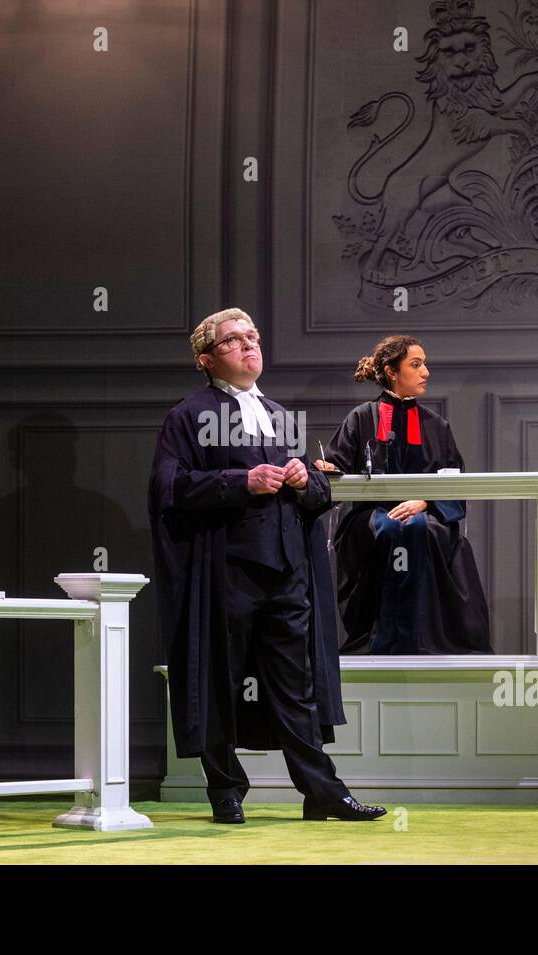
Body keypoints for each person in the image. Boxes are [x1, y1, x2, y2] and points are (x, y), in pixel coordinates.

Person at [148, 308, 386, 823]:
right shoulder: (187, 416)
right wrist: (241, 482)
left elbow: (321, 493)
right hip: (226, 575)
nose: (249, 345)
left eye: (253, 336)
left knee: (296, 688)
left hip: (287, 574)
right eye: (234, 340)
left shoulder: (280, 416)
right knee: (220, 682)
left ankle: (322, 791)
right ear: (207, 360)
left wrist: (307, 481)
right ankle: (226, 790)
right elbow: (170, 489)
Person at [314, 336, 491, 654]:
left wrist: (424, 501)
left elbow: (454, 481)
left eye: (424, 364)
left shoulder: (437, 426)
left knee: (418, 527)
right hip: (371, 515)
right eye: (416, 364)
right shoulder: (362, 419)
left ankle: (419, 642)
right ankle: (381, 639)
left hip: (427, 513)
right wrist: (327, 467)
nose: (426, 372)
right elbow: (336, 466)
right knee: (392, 527)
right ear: (391, 371)